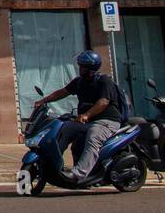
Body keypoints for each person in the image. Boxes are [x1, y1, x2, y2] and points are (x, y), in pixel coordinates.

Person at [33, 50, 122, 182]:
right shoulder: (79, 81)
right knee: (64, 129)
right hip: (87, 121)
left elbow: (103, 102)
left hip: (106, 121)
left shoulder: (104, 81)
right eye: (79, 65)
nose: (79, 68)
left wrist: (87, 114)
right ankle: (53, 165)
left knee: (93, 137)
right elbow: (63, 92)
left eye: (82, 66)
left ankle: (78, 174)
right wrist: (44, 101)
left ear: (90, 68)